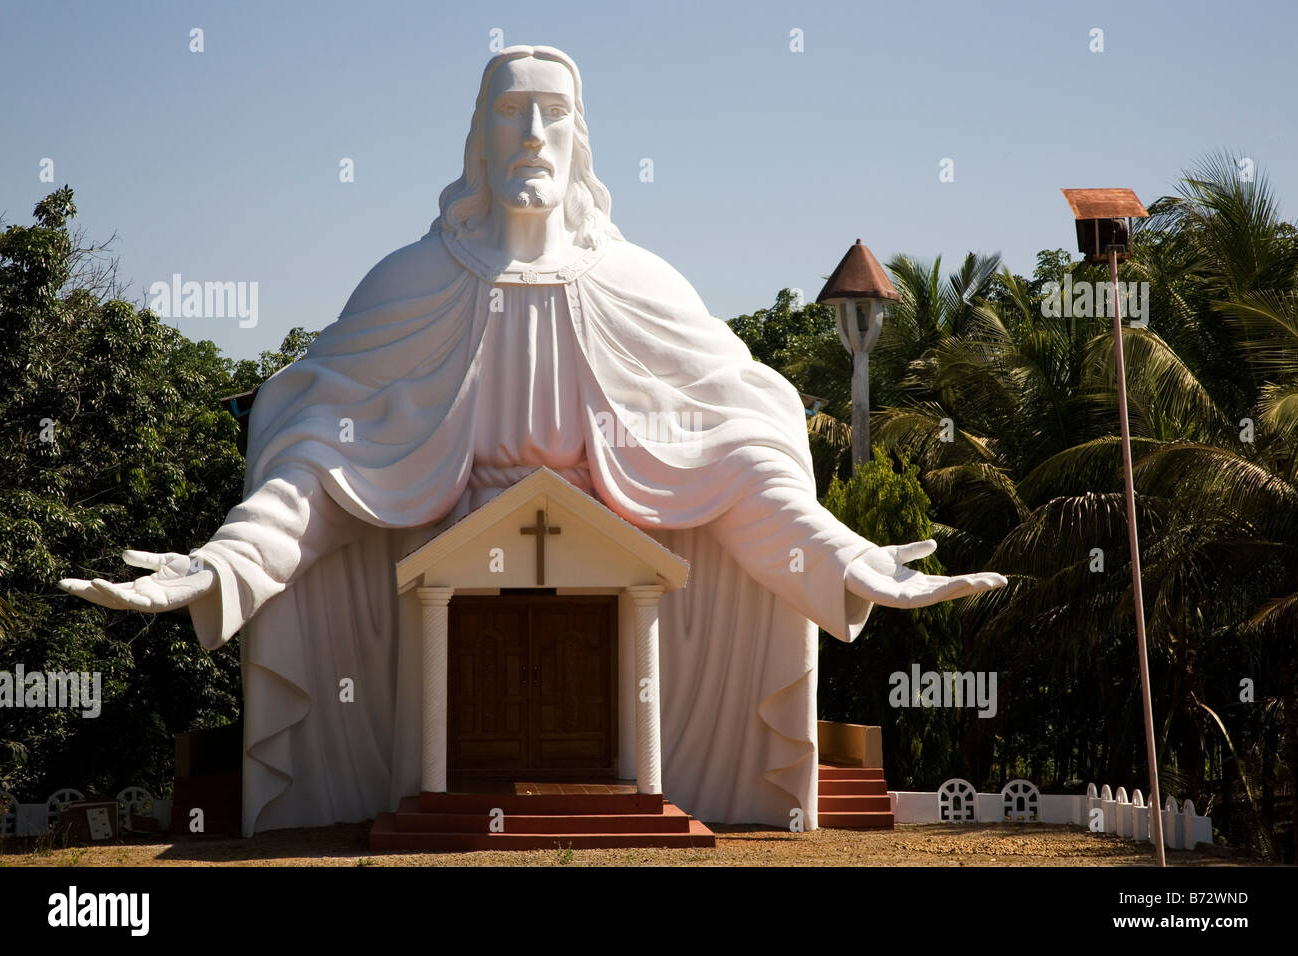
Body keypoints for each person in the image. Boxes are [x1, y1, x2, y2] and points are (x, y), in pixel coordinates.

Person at [61, 45, 1005, 835]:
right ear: (478, 140)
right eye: (511, 112)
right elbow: (321, 463)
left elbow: (737, 458)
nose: (533, 133)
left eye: (553, 111)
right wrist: (225, 560)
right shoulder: (410, 284)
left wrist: (842, 553)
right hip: (435, 575)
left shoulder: (642, 286)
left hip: (628, 564)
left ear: (581, 138)